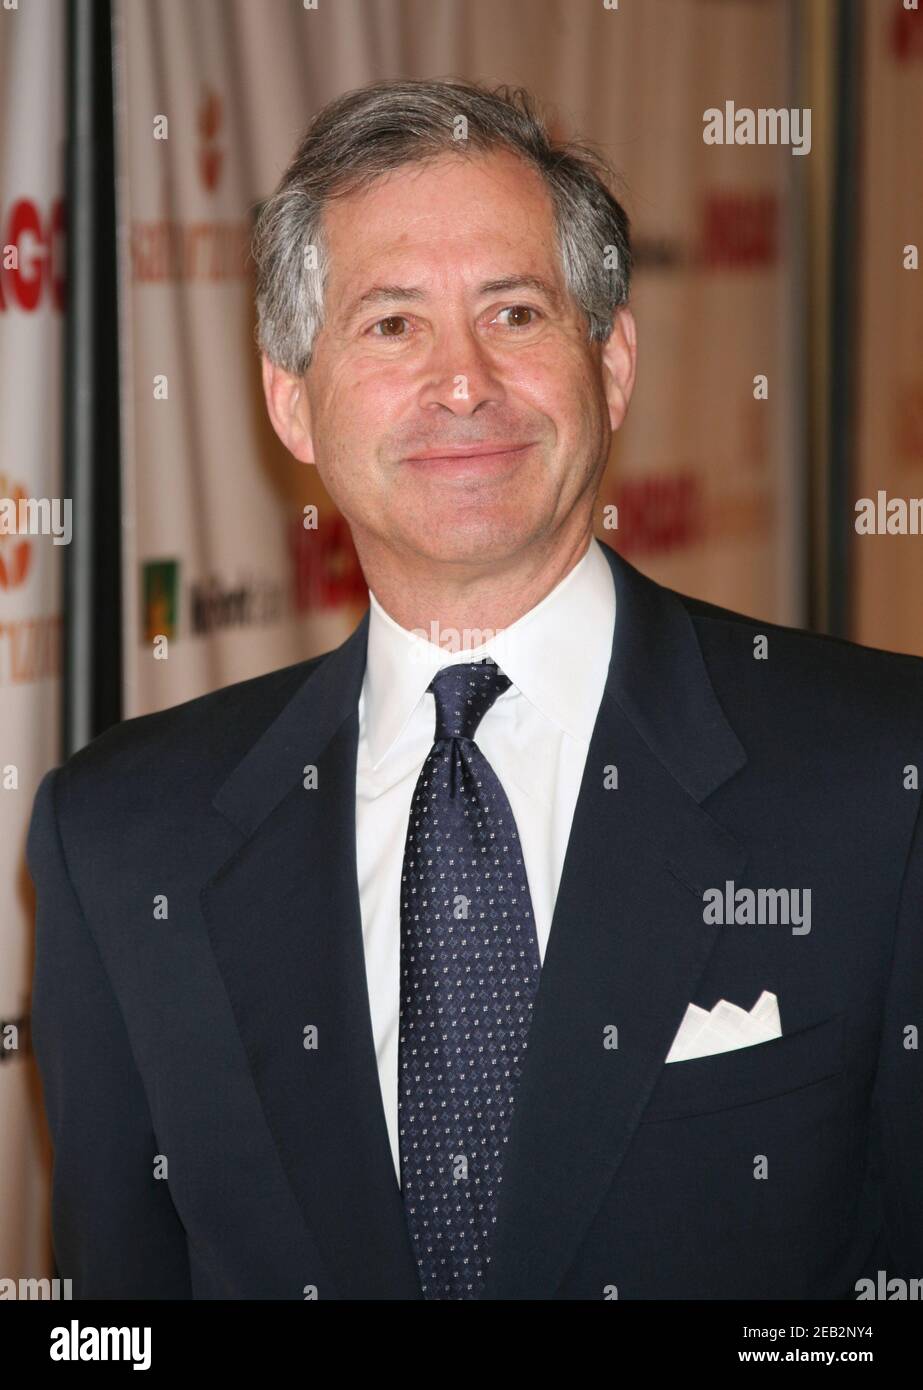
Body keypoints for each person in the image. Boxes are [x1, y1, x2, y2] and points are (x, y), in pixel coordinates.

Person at [27, 77, 922, 1301]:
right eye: (391, 324)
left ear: (610, 363)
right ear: (292, 401)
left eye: (513, 313)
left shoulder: (881, 778)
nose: (461, 383)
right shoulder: (123, 841)